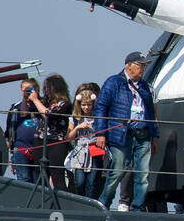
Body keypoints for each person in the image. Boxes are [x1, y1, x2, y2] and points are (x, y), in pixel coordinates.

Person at [93, 51, 158, 212]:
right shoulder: (114, 82)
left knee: (142, 175)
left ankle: (138, 207)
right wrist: (100, 133)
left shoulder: (145, 86)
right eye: (140, 65)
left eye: (144, 65)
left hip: (143, 134)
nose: (143, 68)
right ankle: (104, 203)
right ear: (128, 66)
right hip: (121, 134)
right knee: (117, 171)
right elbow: (100, 107)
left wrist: (155, 135)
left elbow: (150, 112)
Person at [33, 74, 73, 191]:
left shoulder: (64, 103)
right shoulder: (44, 101)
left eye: (47, 87)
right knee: (40, 174)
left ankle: (62, 205)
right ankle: (43, 203)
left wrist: (35, 100)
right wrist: (29, 98)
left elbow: (49, 115)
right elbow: (25, 112)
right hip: (40, 139)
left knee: (57, 175)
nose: (45, 90)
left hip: (56, 142)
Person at [64, 83, 102, 199]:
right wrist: (77, 127)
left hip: (94, 151)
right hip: (79, 152)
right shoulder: (74, 118)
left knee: (92, 181)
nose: (86, 107)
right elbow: (68, 137)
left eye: (89, 105)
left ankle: (89, 202)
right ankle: (81, 200)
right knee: (80, 181)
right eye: (84, 105)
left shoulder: (99, 118)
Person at [5, 78, 43, 184]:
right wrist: (12, 156)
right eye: (24, 89)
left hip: (38, 149)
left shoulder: (42, 106)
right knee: (24, 180)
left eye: (29, 89)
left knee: (39, 181)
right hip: (20, 149)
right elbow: (9, 132)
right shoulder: (15, 108)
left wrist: (35, 99)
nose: (26, 92)